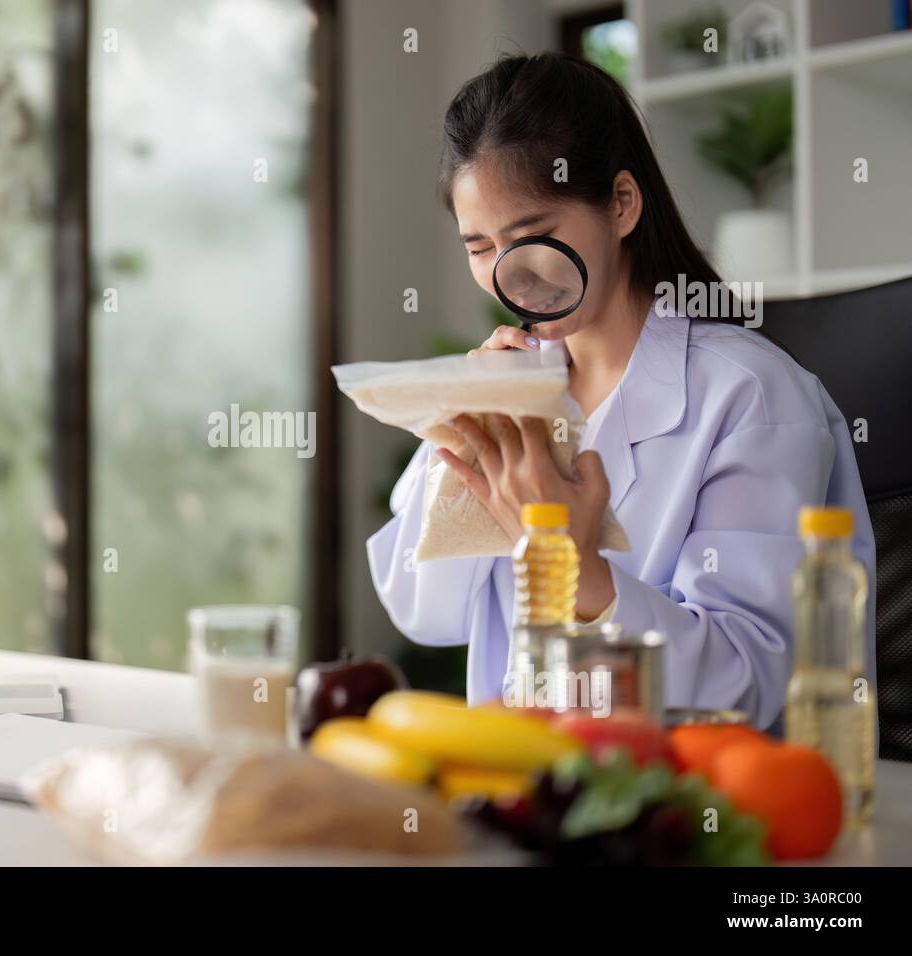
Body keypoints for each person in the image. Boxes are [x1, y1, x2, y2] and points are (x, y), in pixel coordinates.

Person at [367, 53, 875, 730]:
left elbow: (750, 686)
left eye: (534, 235)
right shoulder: (510, 390)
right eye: (480, 246)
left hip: (696, 807)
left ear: (622, 205)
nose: (508, 276)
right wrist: (463, 435)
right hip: (533, 787)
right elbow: (424, 611)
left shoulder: (749, 396)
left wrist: (578, 566)